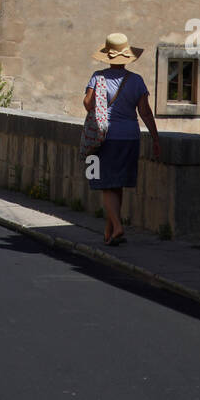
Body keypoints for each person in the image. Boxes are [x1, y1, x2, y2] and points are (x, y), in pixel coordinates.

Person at [83, 32, 161, 246]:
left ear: (107, 55)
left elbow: (88, 105)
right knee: (117, 185)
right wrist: (155, 138)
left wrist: (95, 94)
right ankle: (109, 233)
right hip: (130, 137)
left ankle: (117, 227)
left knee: (106, 185)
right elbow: (145, 112)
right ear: (127, 57)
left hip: (105, 137)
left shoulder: (97, 77)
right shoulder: (137, 81)